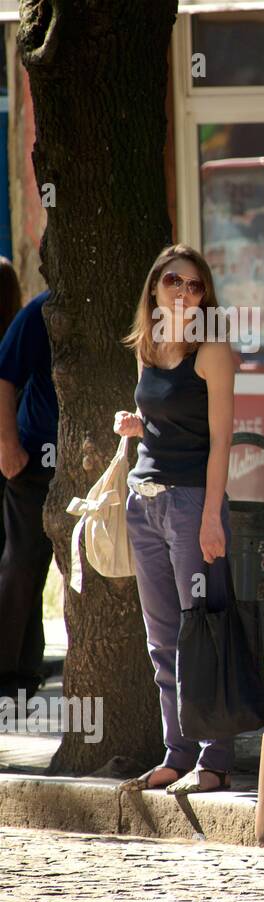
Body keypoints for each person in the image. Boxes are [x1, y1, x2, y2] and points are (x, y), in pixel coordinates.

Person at [115, 245, 238, 795]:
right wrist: (135, 423)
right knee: (162, 637)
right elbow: (162, 417)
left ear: (205, 295)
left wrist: (212, 515)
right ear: (155, 289)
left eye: (194, 285)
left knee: (203, 629)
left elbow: (220, 440)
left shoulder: (211, 351)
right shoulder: (147, 345)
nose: (183, 293)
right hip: (143, 501)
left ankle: (214, 759)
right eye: (173, 282)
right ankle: (177, 751)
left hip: (192, 504)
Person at [0, 278, 60, 703]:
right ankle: (7, 675)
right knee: (22, 566)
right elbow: (4, 373)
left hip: (95, 467)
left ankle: (27, 670)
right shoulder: (39, 312)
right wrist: (7, 444)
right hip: (34, 462)